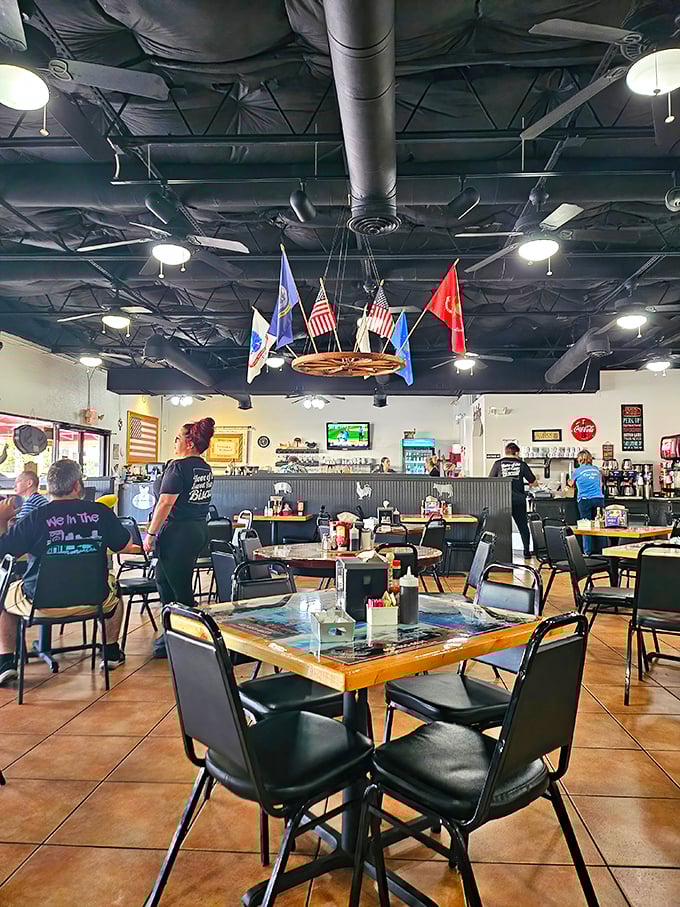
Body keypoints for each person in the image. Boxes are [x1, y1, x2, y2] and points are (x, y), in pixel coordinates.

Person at [0, 459, 136, 685]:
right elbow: (125, 545)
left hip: (39, 601)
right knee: (114, 589)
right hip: (93, 598)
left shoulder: (35, 517)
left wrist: (2, 520)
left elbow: (4, 551)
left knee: (5, 594)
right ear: (77, 485)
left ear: (49, 487)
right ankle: (111, 652)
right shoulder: (100, 512)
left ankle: (5, 662)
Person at [143, 418, 215, 657]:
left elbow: (165, 503)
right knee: (163, 580)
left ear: (190, 443)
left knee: (180, 589)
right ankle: (171, 631)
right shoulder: (204, 468)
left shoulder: (178, 467)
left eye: (177, 438)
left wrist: (150, 533)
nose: (175, 442)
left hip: (178, 533)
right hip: (198, 529)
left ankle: (189, 638)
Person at [489, 443, 537, 558]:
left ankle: (498, 552)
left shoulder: (497, 464)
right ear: (517, 452)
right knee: (523, 526)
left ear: (505, 452)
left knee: (500, 528)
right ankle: (526, 551)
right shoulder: (522, 464)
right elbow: (533, 481)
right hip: (518, 500)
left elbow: (490, 481)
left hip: (502, 501)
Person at [568, 450, 605, 555]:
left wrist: (569, 481)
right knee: (600, 525)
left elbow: (571, 484)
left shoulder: (577, 471)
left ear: (579, 459)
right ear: (590, 459)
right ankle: (602, 551)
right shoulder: (596, 469)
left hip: (585, 500)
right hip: (598, 499)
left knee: (586, 526)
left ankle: (587, 552)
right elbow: (600, 483)